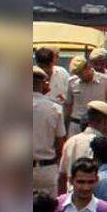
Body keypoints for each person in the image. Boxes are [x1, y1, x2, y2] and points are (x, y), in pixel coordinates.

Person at [59, 100, 107, 191]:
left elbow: (62, 175)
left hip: (71, 195)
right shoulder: (100, 144)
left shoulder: (71, 140)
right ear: (103, 121)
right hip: (90, 196)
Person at [34, 66, 67, 195]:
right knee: (47, 211)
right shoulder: (55, 108)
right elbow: (60, 143)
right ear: (44, 84)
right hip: (46, 168)